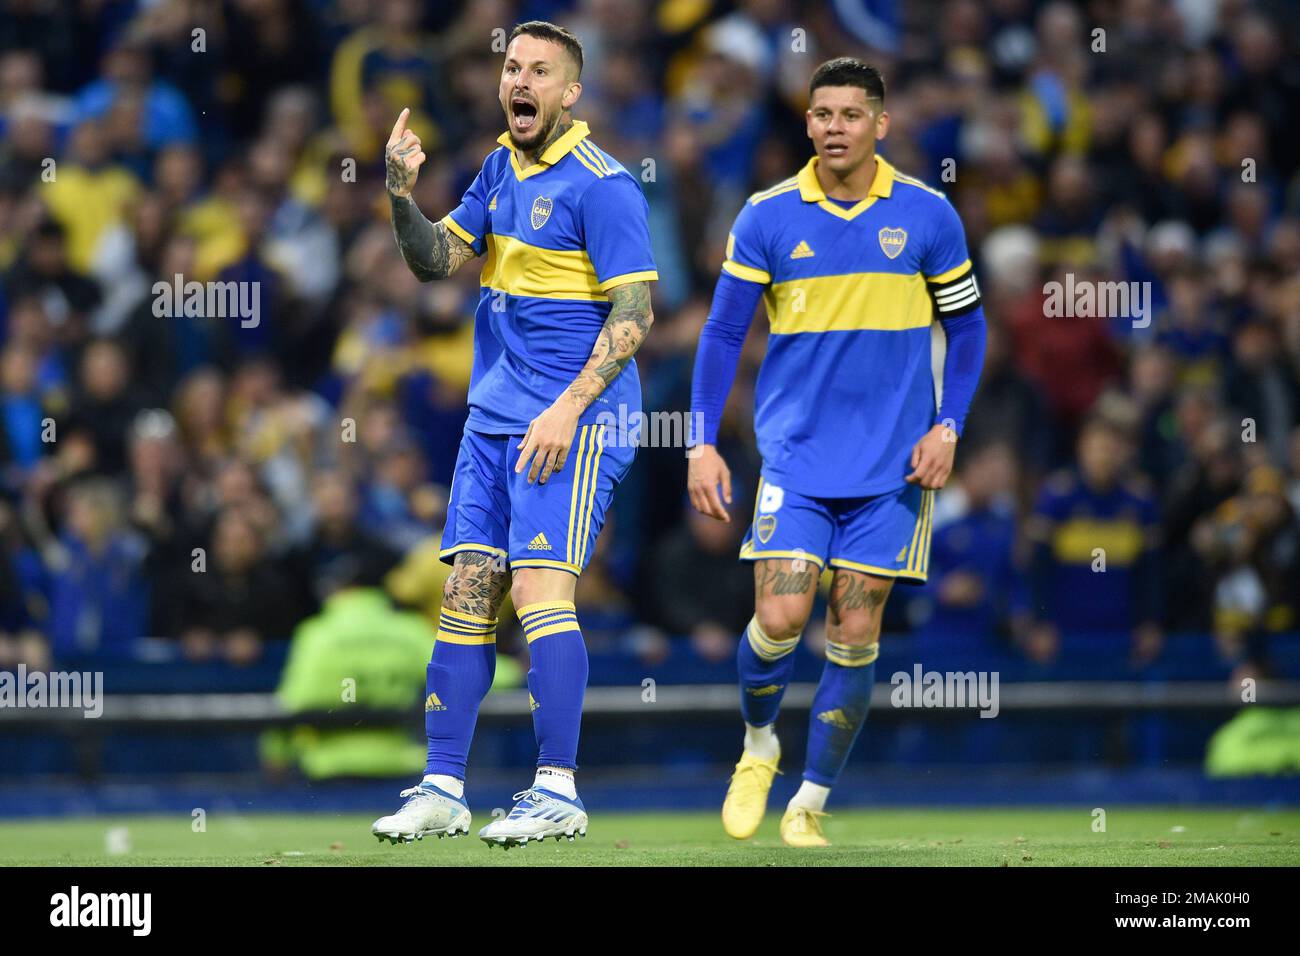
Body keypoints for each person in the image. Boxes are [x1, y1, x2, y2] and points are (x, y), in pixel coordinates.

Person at [371, 21, 657, 848]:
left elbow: (636, 315)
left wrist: (568, 409)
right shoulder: (498, 167)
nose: (518, 81)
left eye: (539, 70)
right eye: (511, 67)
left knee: (538, 592)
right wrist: (399, 193)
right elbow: (434, 261)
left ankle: (558, 789)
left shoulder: (604, 187)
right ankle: (443, 785)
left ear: (572, 91)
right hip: (494, 416)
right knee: (467, 593)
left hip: (573, 419)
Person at [687, 59, 986, 846]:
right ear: (808, 122)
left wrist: (948, 425)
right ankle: (758, 747)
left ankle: (809, 803)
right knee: (780, 614)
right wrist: (700, 443)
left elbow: (969, 328)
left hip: (893, 466)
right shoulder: (767, 214)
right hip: (796, 457)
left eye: (851, 114)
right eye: (821, 113)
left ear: (881, 124)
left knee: (853, 631)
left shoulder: (926, 214)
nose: (834, 127)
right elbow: (722, 335)